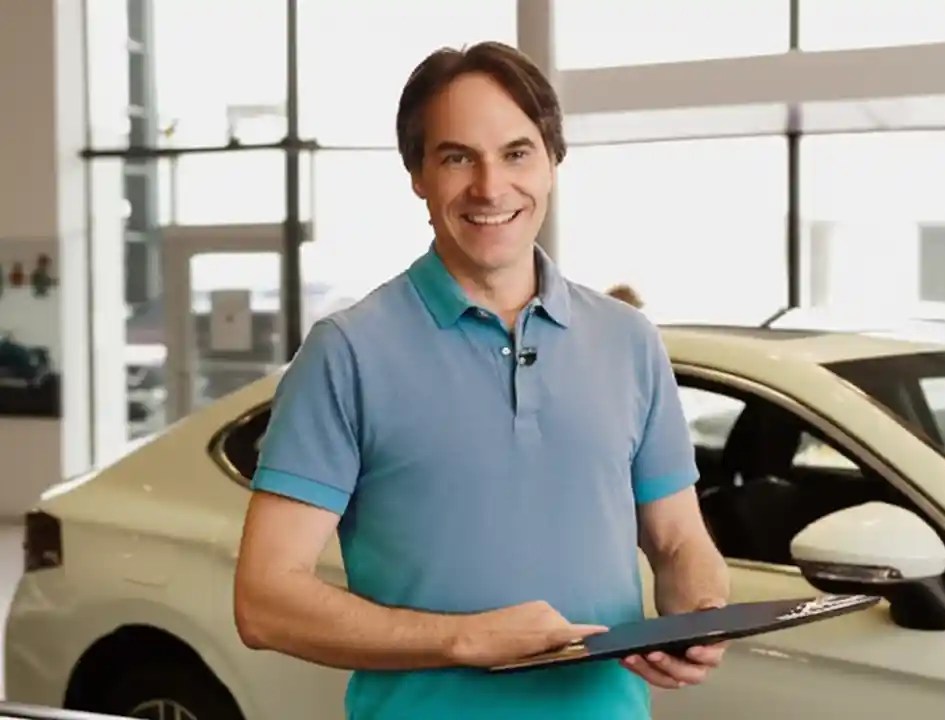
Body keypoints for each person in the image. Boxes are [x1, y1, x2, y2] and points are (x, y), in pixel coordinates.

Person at [232, 41, 730, 719]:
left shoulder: (628, 341)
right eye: (458, 156)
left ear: (553, 160)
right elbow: (265, 602)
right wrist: (463, 640)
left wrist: (699, 613)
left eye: (517, 152)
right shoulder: (348, 353)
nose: (491, 187)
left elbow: (677, 539)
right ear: (418, 174)